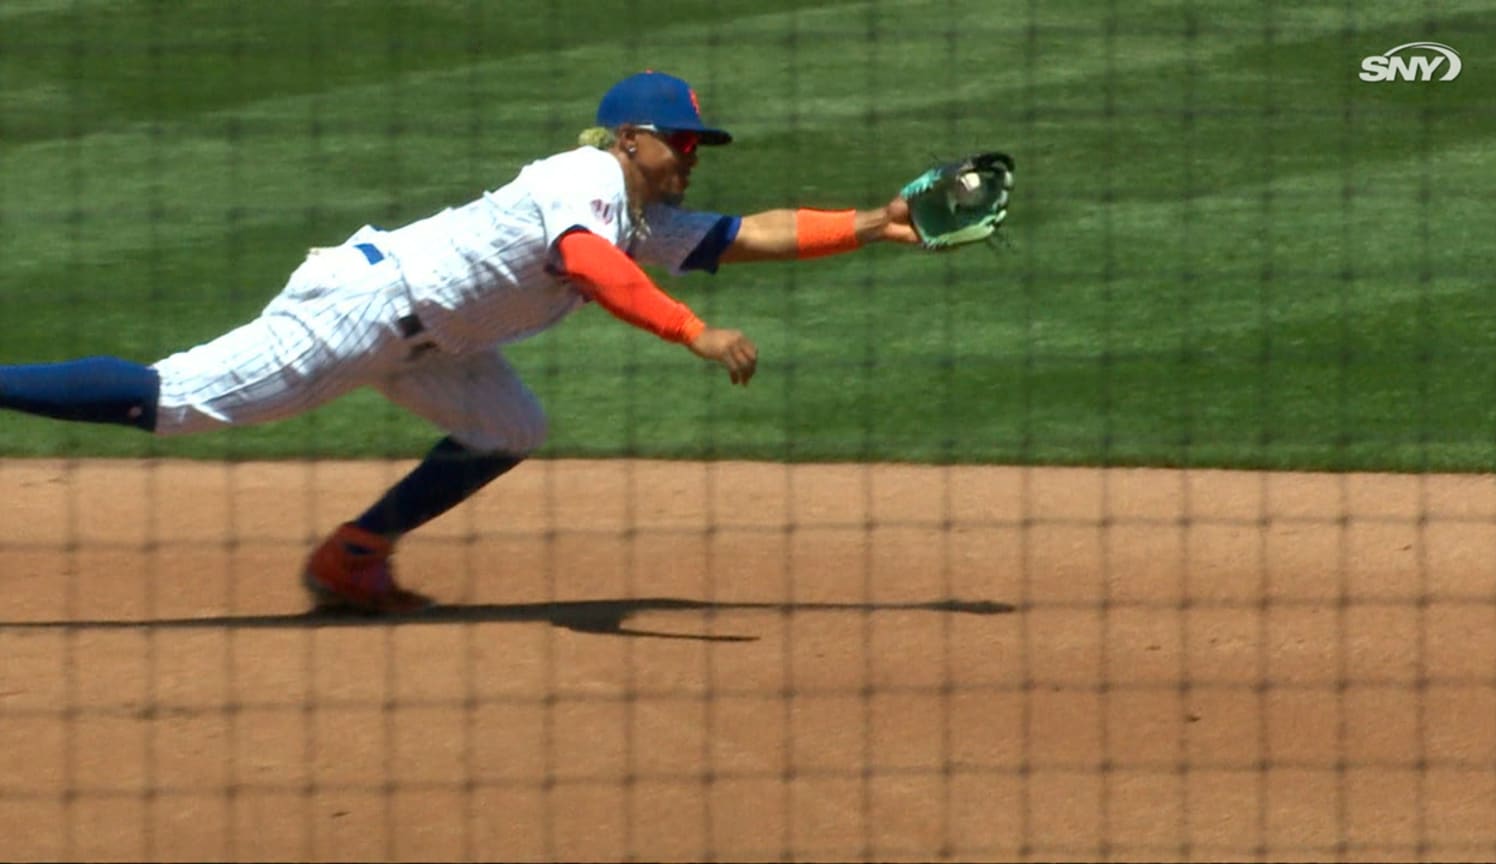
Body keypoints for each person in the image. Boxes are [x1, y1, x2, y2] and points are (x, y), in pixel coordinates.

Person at [0, 70, 922, 613]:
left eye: (697, 143)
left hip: (438, 344)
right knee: (173, 403)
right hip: (362, 313)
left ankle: (352, 557)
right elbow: (590, 268)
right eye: (680, 141)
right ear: (631, 138)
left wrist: (875, 222)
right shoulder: (584, 179)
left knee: (511, 429)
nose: (692, 155)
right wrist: (693, 331)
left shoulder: (643, 214)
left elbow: (745, 233)